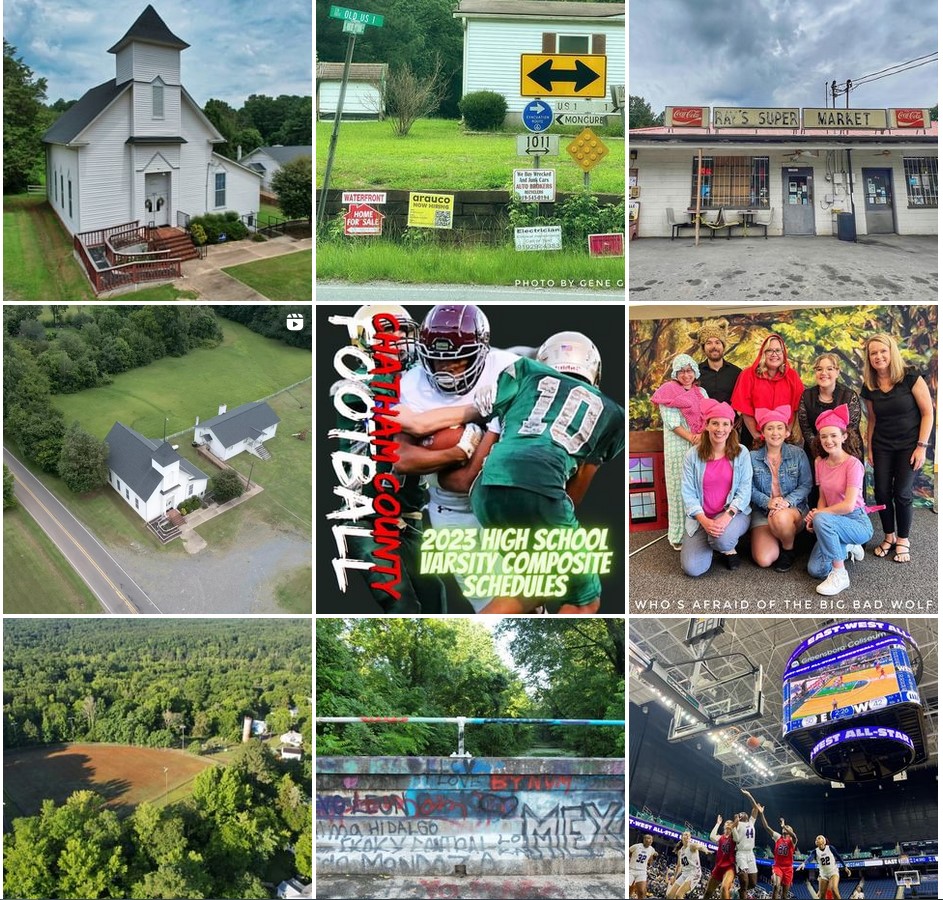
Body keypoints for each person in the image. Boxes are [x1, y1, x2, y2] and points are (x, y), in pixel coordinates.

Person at [469, 331, 624, 613]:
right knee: (585, 600)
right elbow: (575, 493)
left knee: (536, 584)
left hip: (485, 491)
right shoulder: (612, 413)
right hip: (539, 491)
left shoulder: (526, 374)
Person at [393, 304, 518, 611]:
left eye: (457, 360)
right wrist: (460, 446)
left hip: (505, 497)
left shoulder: (508, 367)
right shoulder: (412, 383)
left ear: (481, 352)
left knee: (530, 593)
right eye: (435, 361)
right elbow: (401, 459)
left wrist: (489, 426)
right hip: (450, 508)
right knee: (490, 601)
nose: (445, 369)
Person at [329, 304, 446, 613]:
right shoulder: (357, 387)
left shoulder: (417, 385)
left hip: (406, 516)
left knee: (435, 594)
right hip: (367, 517)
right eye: (389, 331)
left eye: (404, 331)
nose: (399, 337)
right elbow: (409, 422)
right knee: (402, 604)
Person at [861, 333, 934, 565]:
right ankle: (889, 536)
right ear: (869, 358)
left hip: (909, 446)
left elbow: (928, 413)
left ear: (891, 351)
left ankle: (903, 539)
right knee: (881, 492)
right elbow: (872, 419)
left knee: (902, 492)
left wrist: (921, 447)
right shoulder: (870, 386)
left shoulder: (910, 376)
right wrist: (869, 448)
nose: (879, 356)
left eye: (883, 351)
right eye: (874, 353)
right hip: (882, 445)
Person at [804, 405, 874, 596]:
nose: (828, 440)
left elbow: (848, 505)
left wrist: (819, 516)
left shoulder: (853, 464)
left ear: (844, 437)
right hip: (832, 520)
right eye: (824, 436)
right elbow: (823, 498)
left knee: (821, 519)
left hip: (856, 521)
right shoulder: (820, 462)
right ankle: (847, 545)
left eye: (833, 435)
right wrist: (816, 520)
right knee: (816, 570)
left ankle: (840, 573)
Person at [680, 400, 752, 577]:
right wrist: (705, 521)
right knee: (692, 569)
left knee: (722, 539)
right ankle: (714, 541)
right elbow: (688, 493)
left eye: (725, 424)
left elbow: (744, 490)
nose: (720, 429)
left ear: (731, 427)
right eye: (715, 423)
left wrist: (726, 517)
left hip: (733, 514)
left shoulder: (741, 453)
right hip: (702, 518)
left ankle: (725, 546)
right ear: (706, 425)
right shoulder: (692, 455)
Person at [653, 353, 709, 549]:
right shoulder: (666, 391)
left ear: (695, 372)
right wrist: (693, 438)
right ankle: (678, 535)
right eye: (682, 371)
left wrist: (702, 436)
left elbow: (708, 415)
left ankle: (699, 531)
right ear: (676, 373)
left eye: (690, 370)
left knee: (699, 486)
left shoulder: (701, 392)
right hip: (678, 444)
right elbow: (672, 423)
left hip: (701, 443)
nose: (686, 375)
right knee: (679, 488)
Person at [750, 405, 812, 572]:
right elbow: (748, 489)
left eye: (779, 428)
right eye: (769, 428)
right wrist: (768, 502)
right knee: (764, 559)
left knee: (781, 519)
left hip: (792, 509)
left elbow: (806, 484)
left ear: (787, 432)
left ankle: (788, 548)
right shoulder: (752, 457)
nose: (775, 432)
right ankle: (781, 536)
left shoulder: (798, 454)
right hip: (763, 511)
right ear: (763, 433)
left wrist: (786, 502)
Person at [731, 333, 804, 448]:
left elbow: (795, 407)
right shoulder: (748, 374)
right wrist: (756, 436)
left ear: (783, 353)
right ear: (763, 353)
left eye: (778, 350)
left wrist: (786, 433)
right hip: (753, 435)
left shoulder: (792, 376)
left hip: (782, 436)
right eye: (769, 350)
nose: (774, 354)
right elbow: (745, 409)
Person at [798, 352, 865, 463]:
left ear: (837, 372)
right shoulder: (807, 396)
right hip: (815, 454)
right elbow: (806, 429)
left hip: (845, 453)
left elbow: (851, 430)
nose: (824, 373)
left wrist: (835, 453)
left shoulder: (849, 396)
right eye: (819, 369)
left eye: (829, 369)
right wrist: (821, 452)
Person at [756, 804, 798, 900]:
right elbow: (766, 827)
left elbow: (795, 836)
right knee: (776, 886)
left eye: (788, 827)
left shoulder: (792, 841)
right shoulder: (778, 837)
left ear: (790, 831)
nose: (785, 828)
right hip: (777, 866)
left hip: (788, 868)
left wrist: (784, 826)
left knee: (784, 895)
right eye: (784, 827)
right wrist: (761, 814)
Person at [696, 319, 742, 403]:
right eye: (709, 343)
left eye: (717, 342)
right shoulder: (695, 373)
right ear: (703, 348)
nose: (714, 346)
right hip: (704, 416)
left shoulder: (737, 373)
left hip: (731, 416)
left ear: (723, 346)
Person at [798, 835, 851, 899]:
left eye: (819, 838)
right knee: (822, 896)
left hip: (833, 872)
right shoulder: (815, 851)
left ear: (824, 841)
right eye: (816, 839)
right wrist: (804, 863)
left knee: (834, 889)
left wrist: (845, 867)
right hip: (823, 874)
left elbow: (838, 857)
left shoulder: (830, 848)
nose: (817, 840)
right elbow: (809, 858)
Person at [733, 789, 761, 900]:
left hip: (750, 854)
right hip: (741, 854)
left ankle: (739, 891)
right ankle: (742, 891)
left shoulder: (751, 822)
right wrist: (735, 821)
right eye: (740, 813)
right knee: (744, 882)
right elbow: (733, 832)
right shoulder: (738, 824)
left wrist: (749, 795)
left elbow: (755, 808)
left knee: (753, 883)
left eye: (744, 812)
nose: (743, 813)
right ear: (739, 817)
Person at [703, 816, 738, 900]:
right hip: (718, 866)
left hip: (730, 867)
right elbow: (712, 836)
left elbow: (737, 839)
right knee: (708, 892)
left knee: (724, 888)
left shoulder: (734, 837)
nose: (729, 823)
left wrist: (734, 827)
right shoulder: (720, 837)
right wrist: (718, 824)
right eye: (727, 822)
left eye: (731, 823)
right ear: (724, 826)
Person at [668, 831, 704, 899]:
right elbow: (678, 866)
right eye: (685, 835)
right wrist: (674, 878)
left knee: (679, 895)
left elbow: (700, 847)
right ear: (682, 837)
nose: (687, 836)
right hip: (685, 874)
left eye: (689, 835)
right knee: (670, 896)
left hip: (694, 873)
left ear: (690, 838)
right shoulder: (680, 851)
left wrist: (706, 850)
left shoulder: (692, 846)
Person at [629, 833, 659, 899]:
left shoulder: (652, 849)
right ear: (644, 840)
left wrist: (654, 857)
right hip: (631, 869)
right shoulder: (636, 846)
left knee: (641, 892)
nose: (650, 840)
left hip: (642, 871)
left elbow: (651, 859)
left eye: (651, 839)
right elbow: (628, 852)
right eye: (648, 838)